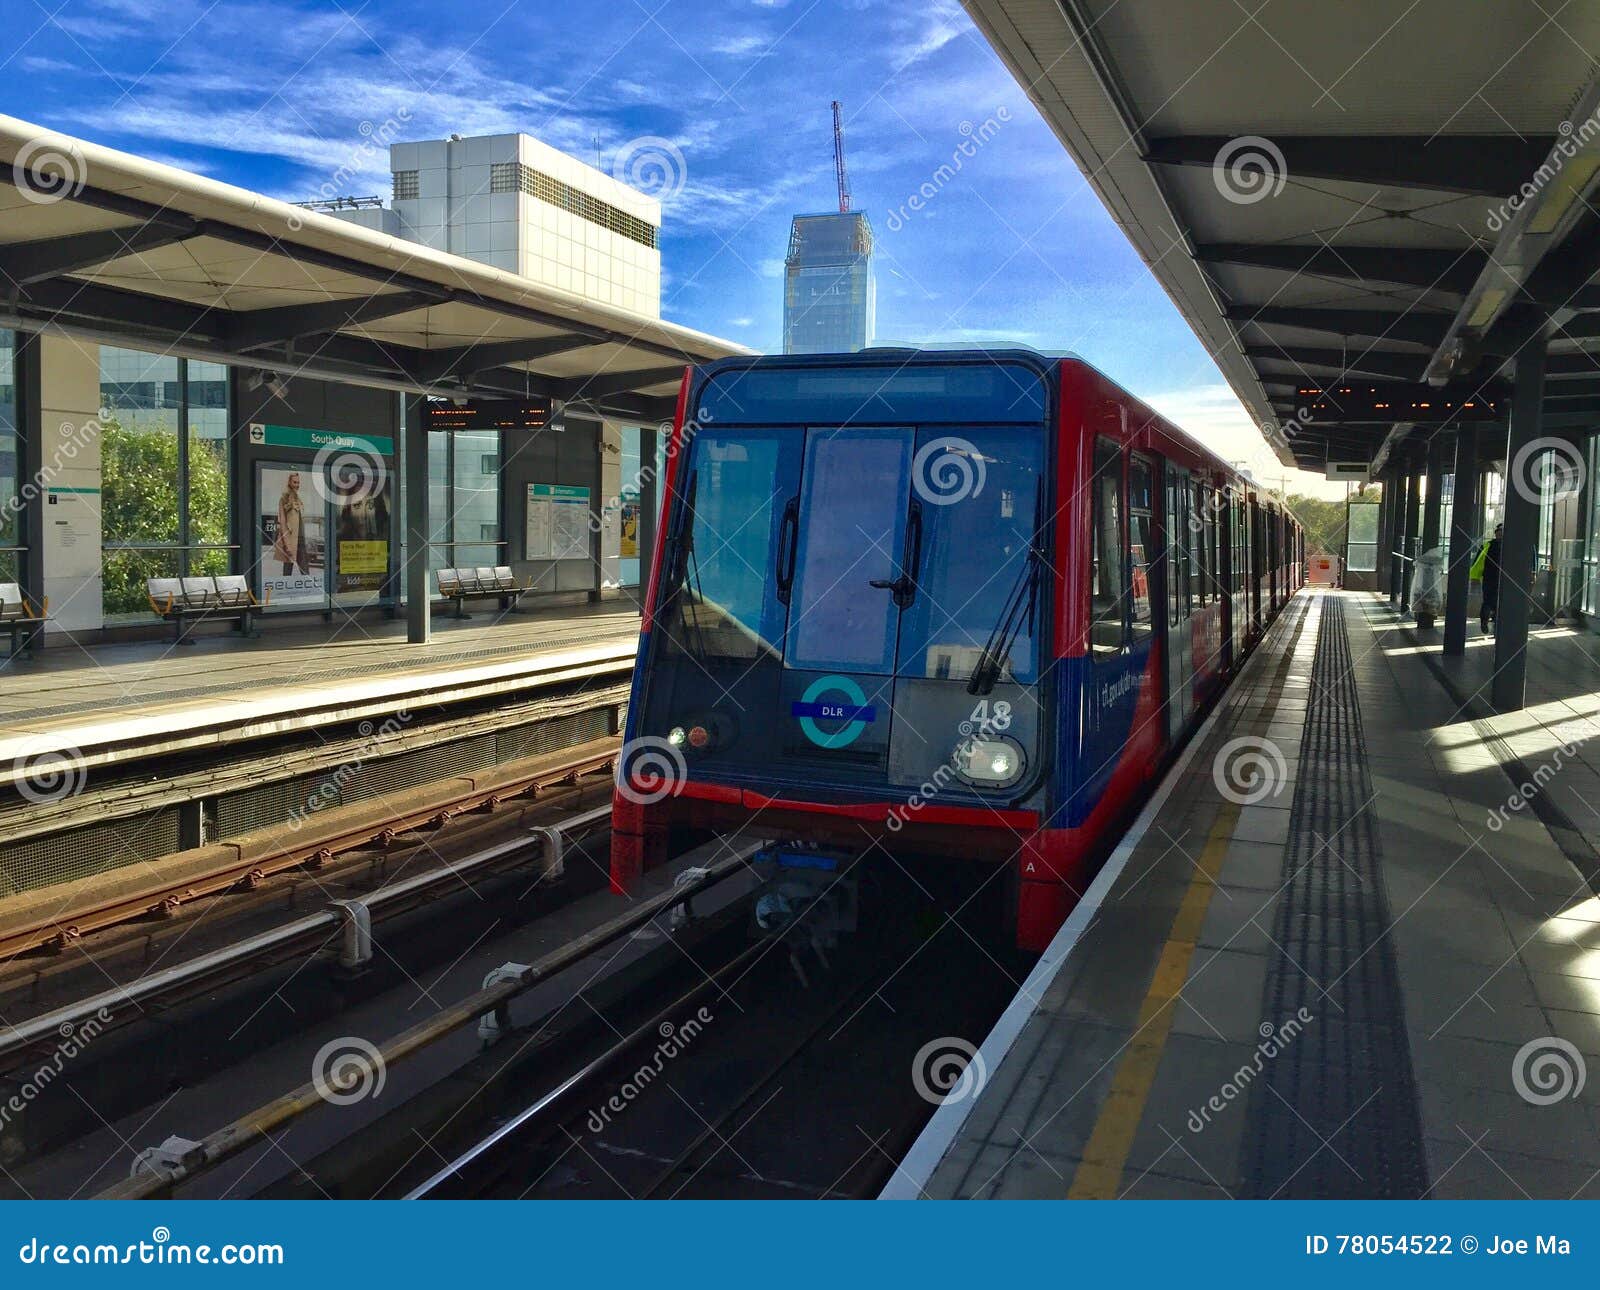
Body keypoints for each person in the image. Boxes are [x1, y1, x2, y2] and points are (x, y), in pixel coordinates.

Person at [274, 473, 309, 576]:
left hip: (301, 540)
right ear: (289, 482)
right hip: (290, 541)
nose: (297, 485)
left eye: (298, 482)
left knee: (305, 571)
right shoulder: (284, 499)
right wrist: (287, 544)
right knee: (288, 571)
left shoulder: (299, 498)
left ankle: (309, 590)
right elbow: (283, 523)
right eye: (294, 482)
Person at [1476, 523, 1503, 633]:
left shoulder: (1487, 545)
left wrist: (1475, 576)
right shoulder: (1510, 548)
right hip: (1499, 579)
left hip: (1489, 578)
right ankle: (1495, 627)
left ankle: (1485, 621)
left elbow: (1477, 562)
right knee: (1498, 602)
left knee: (1488, 601)